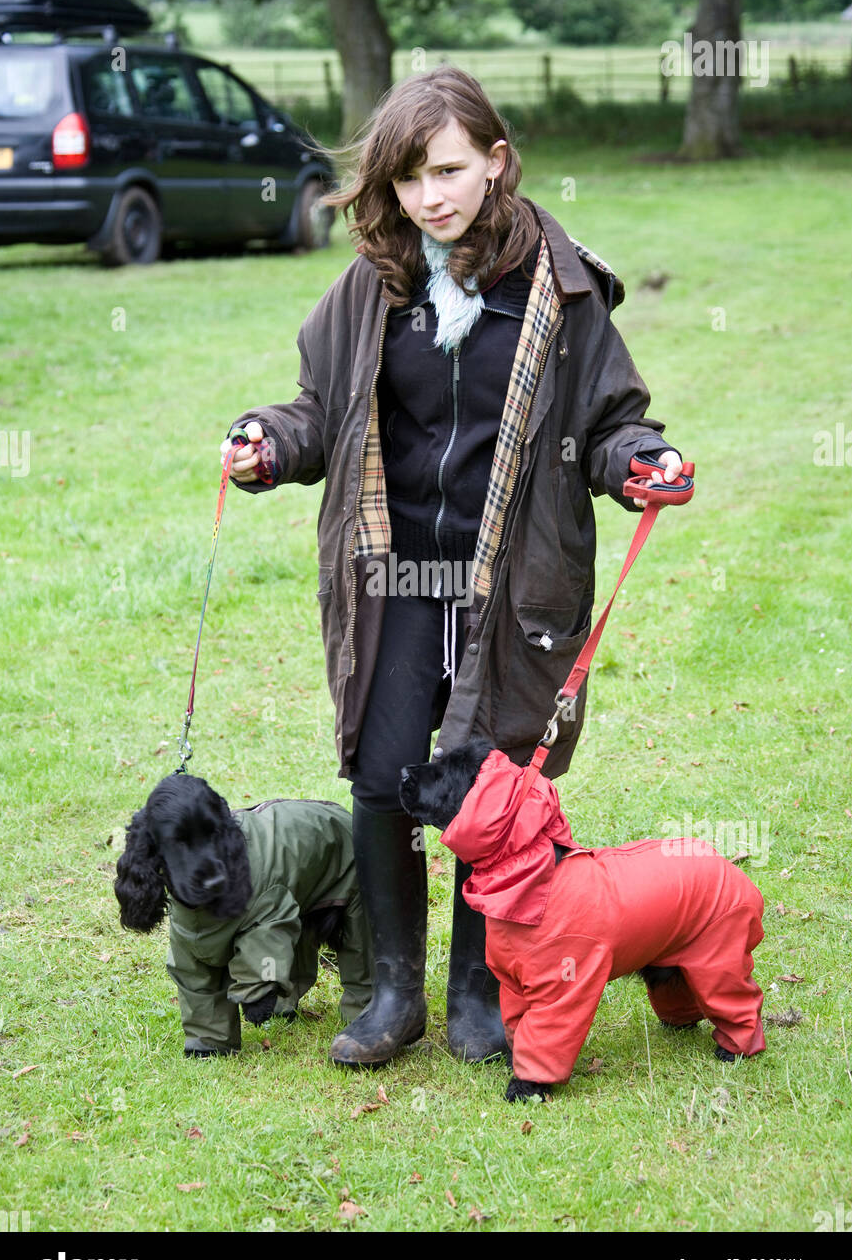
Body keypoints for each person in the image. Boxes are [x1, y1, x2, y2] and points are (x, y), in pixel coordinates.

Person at [222, 66, 684, 1071]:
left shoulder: (557, 291)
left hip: (512, 581)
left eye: (445, 170)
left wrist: (638, 461)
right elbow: (319, 412)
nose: (427, 198)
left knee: (488, 784)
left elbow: (607, 423)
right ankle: (395, 991)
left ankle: (479, 990)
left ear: (495, 162)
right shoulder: (370, 288)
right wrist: (266, 441)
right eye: (403, 180)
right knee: (385, 776)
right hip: (390, 577)